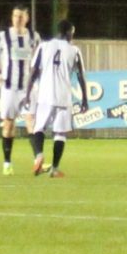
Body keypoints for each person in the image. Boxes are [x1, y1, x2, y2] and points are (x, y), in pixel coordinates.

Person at [28, 17, 87, 177]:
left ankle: (39, 156)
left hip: (45, 95)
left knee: (38, 128)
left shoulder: (44, 46)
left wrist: (27, 93)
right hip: (64, 97)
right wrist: (85, 100)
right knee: (60, 134)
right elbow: (81, 76)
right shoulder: (74, 51)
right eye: (72, 33)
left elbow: (33, 72)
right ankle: (54, 169)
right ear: (68, 33)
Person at [0, 6, 39, 174]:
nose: (17, 19)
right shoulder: (2, 36)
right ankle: (7, 164)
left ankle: (37, 159)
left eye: (21, 16)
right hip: (9, 88)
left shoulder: (34, 37)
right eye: (15, 16)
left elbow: (39, 58)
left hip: (28, 88)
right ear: (12, 17)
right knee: (9, 125)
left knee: (31, 121)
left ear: (27, 18)